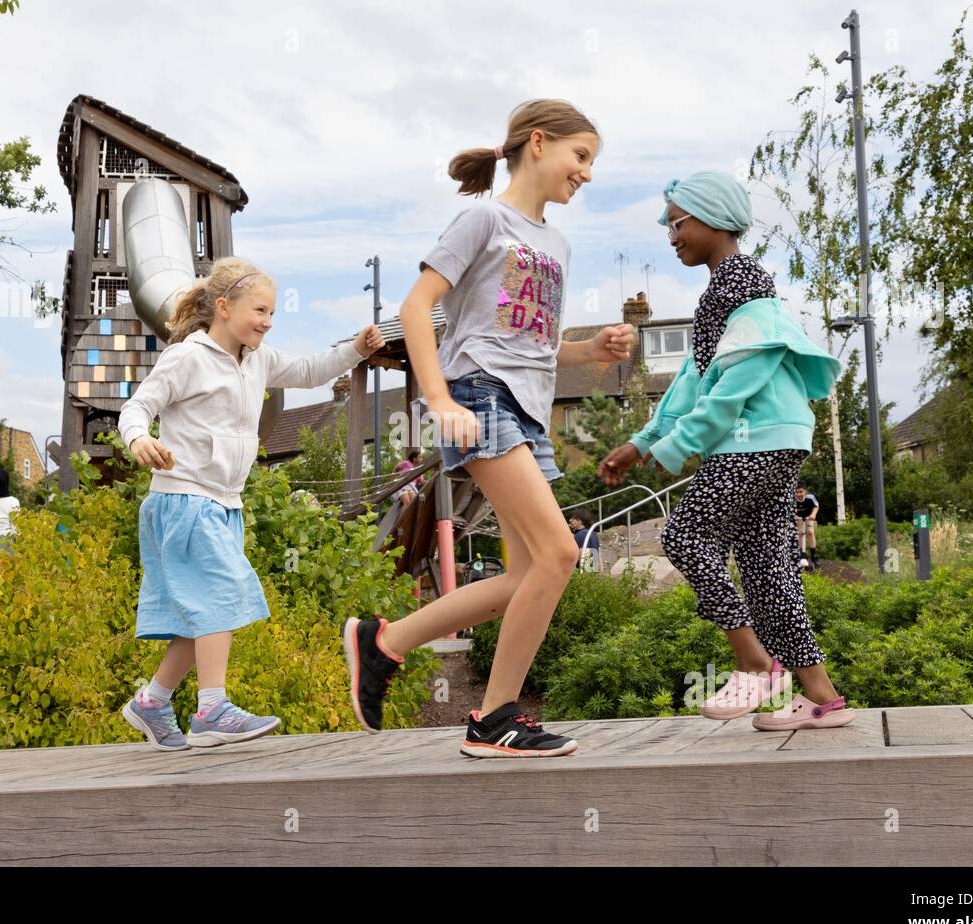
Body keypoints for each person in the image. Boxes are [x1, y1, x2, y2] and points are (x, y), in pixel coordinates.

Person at [341, 98, 635, 758]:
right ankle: (495, 717)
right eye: (580, 156)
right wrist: (440, 398)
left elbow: (533, 340)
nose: (585, 173)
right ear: (538, 142)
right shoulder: (482, 217)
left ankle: (382, 642)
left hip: (527, 411)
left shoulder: (556, 243)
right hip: (479, 397)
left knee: (523, 577)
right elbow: (417, 308)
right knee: (560, 553)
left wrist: (593, 352)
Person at [599, 171, 856, 731]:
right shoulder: (721, 289)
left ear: (714, 217)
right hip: (773, 442)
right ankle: (821, 698)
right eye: (669, 224)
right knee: (768, 569)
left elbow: (733, 389)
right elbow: (696, 379)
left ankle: (755, 662)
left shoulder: (744, 286)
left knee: (685, 537)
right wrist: (643, 442)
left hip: (754, 440)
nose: (671, 234)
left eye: (678, 221)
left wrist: (673, 448)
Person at [117, 256, 386, 751]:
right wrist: (137, 440)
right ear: (222, 307)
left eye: (272, 313)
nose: (266, 321)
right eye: (259, 310)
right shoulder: (187, 357)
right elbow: (138, 406)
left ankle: (153, 701)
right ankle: (212, 709)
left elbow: (308, 370)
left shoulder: (256, 358)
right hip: (184, 498)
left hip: (223, 504)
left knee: (197, 617)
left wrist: (354, 350)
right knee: (222, 595)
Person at [794, 484, 820, 570]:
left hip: (809, 516)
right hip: (799, 517)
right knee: (800, 533)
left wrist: (813, 515)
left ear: (805, 491)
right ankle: (802, 555)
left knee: (810, 532)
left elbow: (816, 506)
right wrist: (794, 516)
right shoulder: (792, 499)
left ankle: (813, 556)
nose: (799, 494)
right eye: (797, 492)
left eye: (801, 492)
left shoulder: (810, 498)